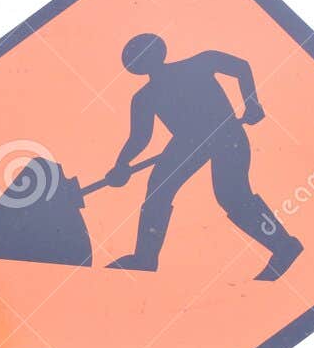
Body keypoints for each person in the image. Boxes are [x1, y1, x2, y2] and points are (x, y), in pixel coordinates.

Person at [105, 33, 302, 281]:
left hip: (224, 131)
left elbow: (240, 67)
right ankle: (144, 259)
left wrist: (252, 103)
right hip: (188, 141)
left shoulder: (199, 63)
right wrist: (122, 164)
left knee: (232, 195)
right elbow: (140, 138)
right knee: (158, 189)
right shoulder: (145, 97)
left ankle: (283, 245)